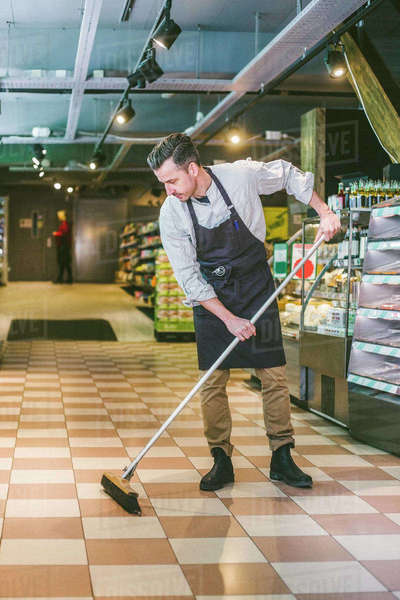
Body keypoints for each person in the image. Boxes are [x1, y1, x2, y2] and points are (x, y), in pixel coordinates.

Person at [147, 133, 340, 491]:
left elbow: (286, 175)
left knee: (273, 374)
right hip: (213, 297)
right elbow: (189, 276)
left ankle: (282, 455)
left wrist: (324, 211)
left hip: (256, 288)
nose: (168, 190)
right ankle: (221, 459)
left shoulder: (240, 176)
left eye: (172, 181)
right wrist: (228, 319)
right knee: (212, 380)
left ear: (192, 168)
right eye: (163, 183)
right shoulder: (172, 212)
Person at [52, 210, 72, 284]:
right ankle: (65, 278)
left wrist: (56, 233)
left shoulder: (64, 224)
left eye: (59, 216)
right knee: (64, 263)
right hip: (64, 246)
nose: (59, 217)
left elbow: (64, 234)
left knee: (63, 263)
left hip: (63, 247)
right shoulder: (65, 224)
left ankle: (62, 278)